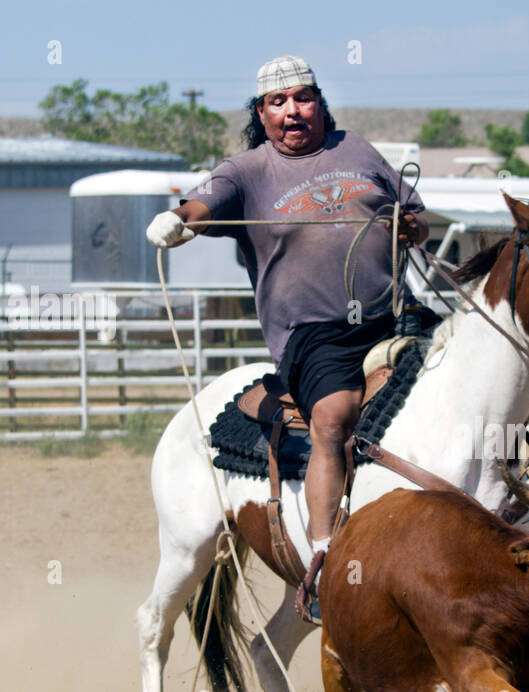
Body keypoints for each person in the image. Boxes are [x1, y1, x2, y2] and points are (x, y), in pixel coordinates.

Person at [146, 55, 429, 621]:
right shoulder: (247, 170)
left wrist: (410, 224)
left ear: (320, 103)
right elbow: (202, 204)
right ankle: (325, 563)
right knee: (333, 416)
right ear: (261, 111)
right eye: (278, 102)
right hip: (313, 334)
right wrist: (179, 220)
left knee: (472, 374)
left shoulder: (358, 149)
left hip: (392, 314)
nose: (292, 111)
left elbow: (417, 218)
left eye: (302, 99)